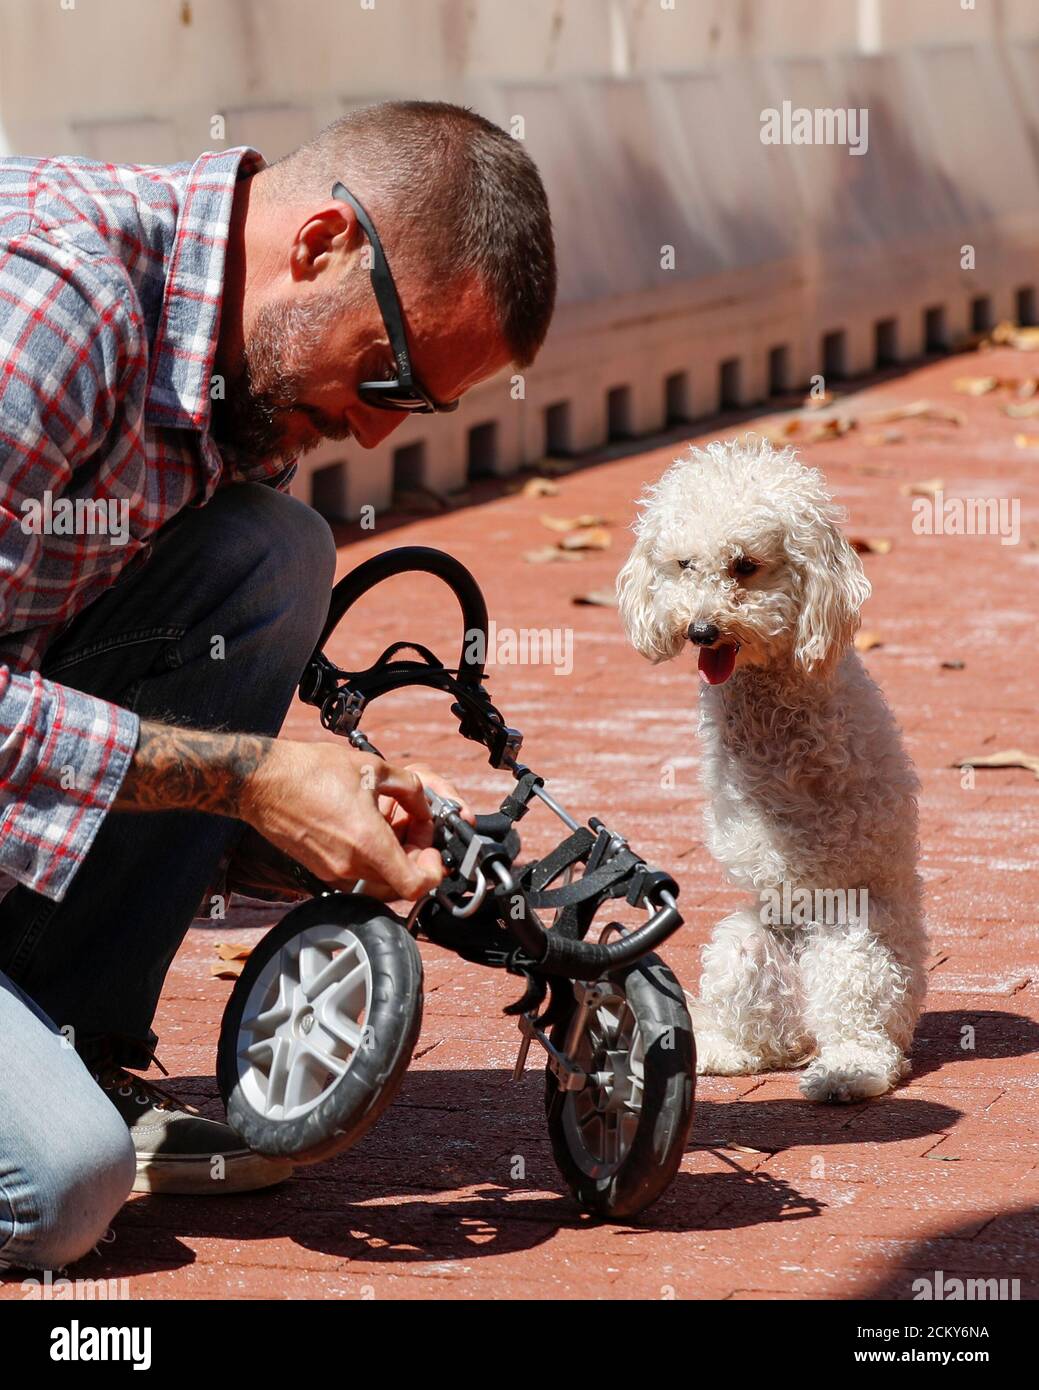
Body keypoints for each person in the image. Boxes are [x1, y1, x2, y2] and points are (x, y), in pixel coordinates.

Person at [0, 100, 556, 1271]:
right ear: (319, 246)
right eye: (387, 381)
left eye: (418, 410)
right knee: (58, 1185)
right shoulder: (54, 305)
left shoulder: (238, 366)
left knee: (274, 551)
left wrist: (281, 830)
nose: (366, 433)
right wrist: (249, 780)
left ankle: (70, 1039)